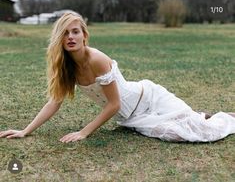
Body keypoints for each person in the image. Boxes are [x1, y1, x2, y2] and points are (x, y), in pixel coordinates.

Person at [0, 12, 235, 143]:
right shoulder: (67, 67)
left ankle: (223, 117)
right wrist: (25, 130)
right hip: (132, 118)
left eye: (75, 31)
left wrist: (84, 132)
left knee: (198, 134)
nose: (70, 37)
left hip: (149, 99)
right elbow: (54, 102)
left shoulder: (97, 59)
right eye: (65, 33)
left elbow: (114, 104)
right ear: (59, 39)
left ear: (84, 35)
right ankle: (198, 115)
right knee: (177, 133)